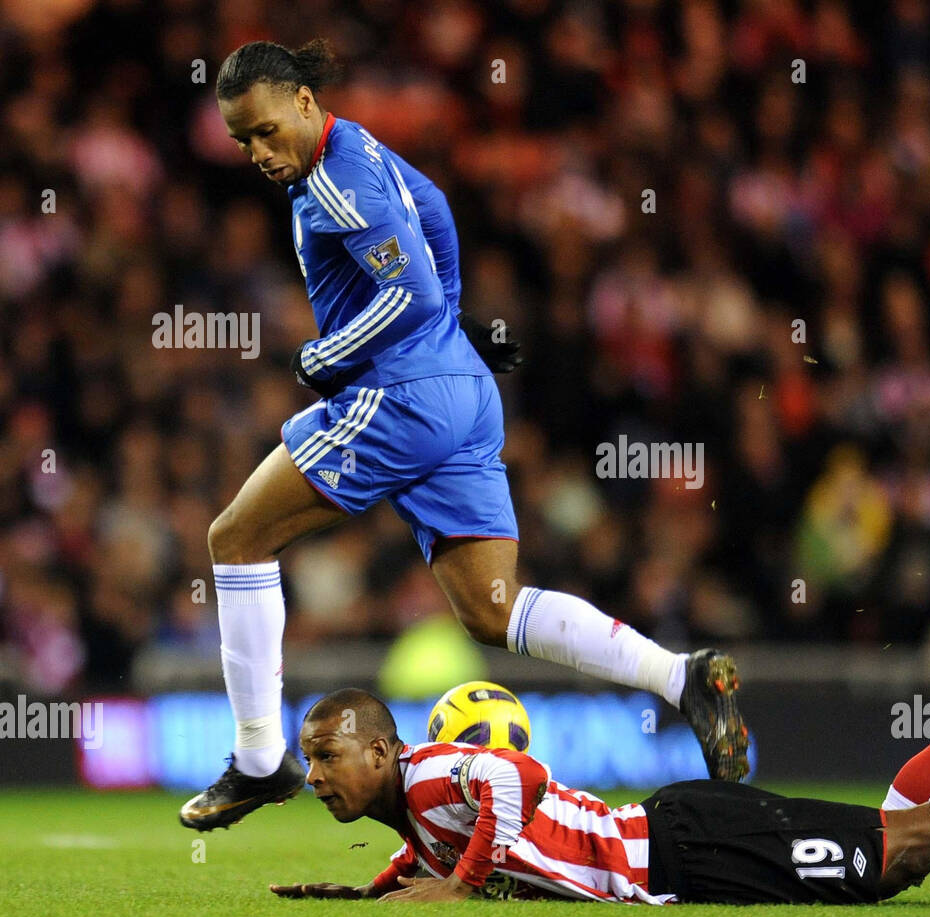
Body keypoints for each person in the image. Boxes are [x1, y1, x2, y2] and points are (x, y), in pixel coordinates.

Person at [180, 39, 748, 831]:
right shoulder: (359, 148)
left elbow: (406, 297)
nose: (260, 153)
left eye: (269, 131)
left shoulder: (333, 183)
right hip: (463, 396)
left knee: (237, 538)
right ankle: (679, 676)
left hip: (401, 397)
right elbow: (437, 210)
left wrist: (324, 354)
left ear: (304, 102)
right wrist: (456, 327)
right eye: (244, 141)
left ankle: (255, 762)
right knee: (494, 609)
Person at [270, 617, 930, 906]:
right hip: (685, 840)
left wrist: (459, 885)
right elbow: (440, 847)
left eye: (327, 758)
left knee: (895, 853)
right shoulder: (415, 811)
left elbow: (512, 781)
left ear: (384, 749)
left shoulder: (433, 772)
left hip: (687, 849)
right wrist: (371, 894)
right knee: (888, 833)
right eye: (309, 763)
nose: (315, 776)